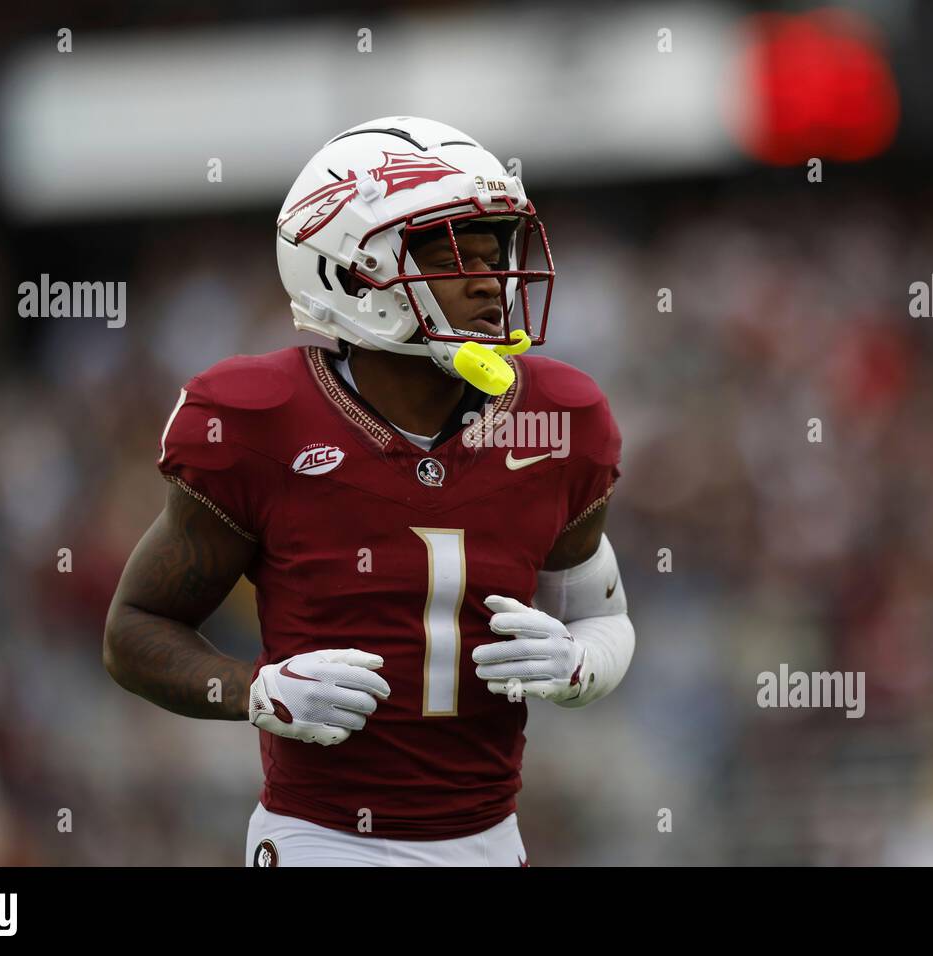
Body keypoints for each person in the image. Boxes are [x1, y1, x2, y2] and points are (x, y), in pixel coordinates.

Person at [103, 116, 635, 866]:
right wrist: (256, 692)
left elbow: (604, 619)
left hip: (492, 844)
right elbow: (134, 631)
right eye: (456, 257)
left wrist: (583, 666)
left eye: (495, 253)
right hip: (319, 842)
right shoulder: (260, 420)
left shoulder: (557, 419)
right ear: (353, 272)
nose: (492, 281)